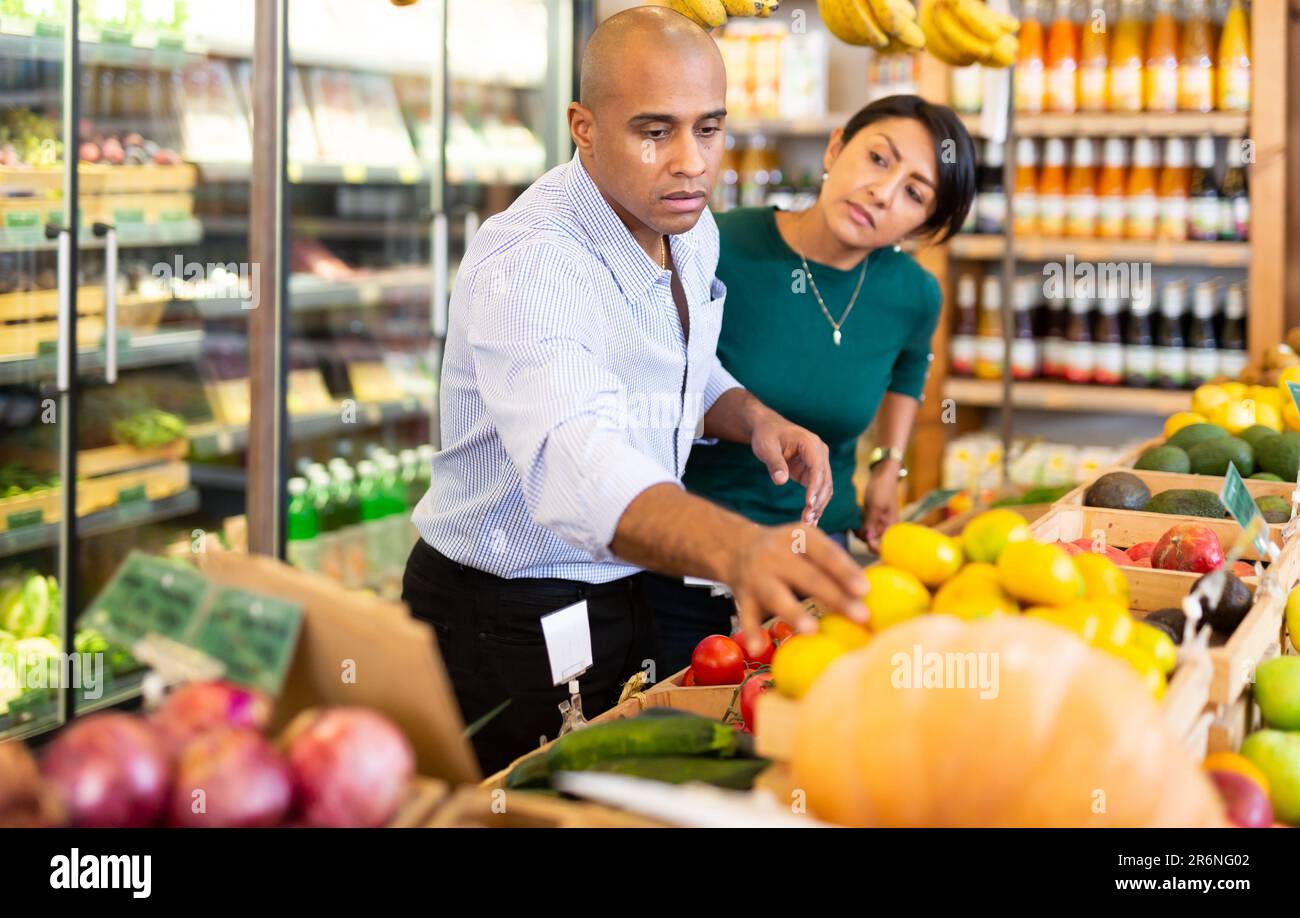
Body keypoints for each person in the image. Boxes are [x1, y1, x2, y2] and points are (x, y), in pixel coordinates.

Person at [402, 6, 869, 775]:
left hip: (624, 582)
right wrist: (738, 547)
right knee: (522, 809)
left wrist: (751, 417)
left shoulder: (689, 225)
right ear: (583, 125)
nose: (691, 161)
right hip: (509, 609)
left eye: (709, 129)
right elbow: (576, 460)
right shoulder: (532, 260)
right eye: (655, 131)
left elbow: (675, 363)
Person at [646, 95, 977, 673]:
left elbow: (910, 367)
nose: (883, 192)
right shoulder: (716, 245)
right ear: (835, 148)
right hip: (689, 561)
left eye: (914, 193)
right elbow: (651, 383)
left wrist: (888, 467)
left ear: (923, 226)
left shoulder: (912, 294)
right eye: (878, 159)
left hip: (817, 562)